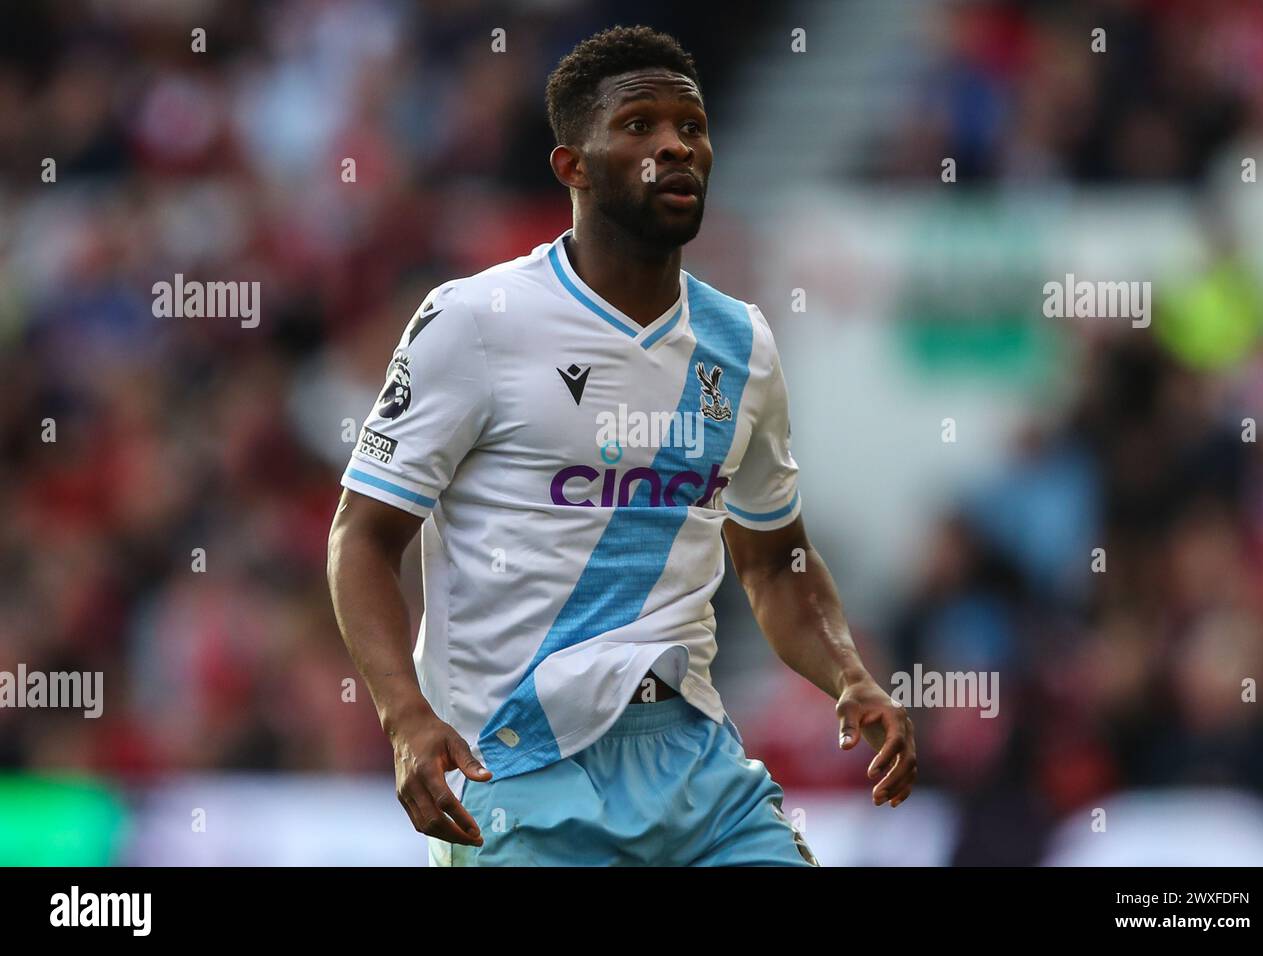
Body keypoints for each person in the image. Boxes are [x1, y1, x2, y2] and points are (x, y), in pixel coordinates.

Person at [327, 24, 916, 866]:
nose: (676, 144)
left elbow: (774, 562)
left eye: (692, 125)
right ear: (573, 166)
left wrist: (849, 673)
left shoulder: (739, 343)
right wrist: (404, 715)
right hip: (519, 766)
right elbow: (362, 537)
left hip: (698, 767)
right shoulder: (475, 322)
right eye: (640, 126)